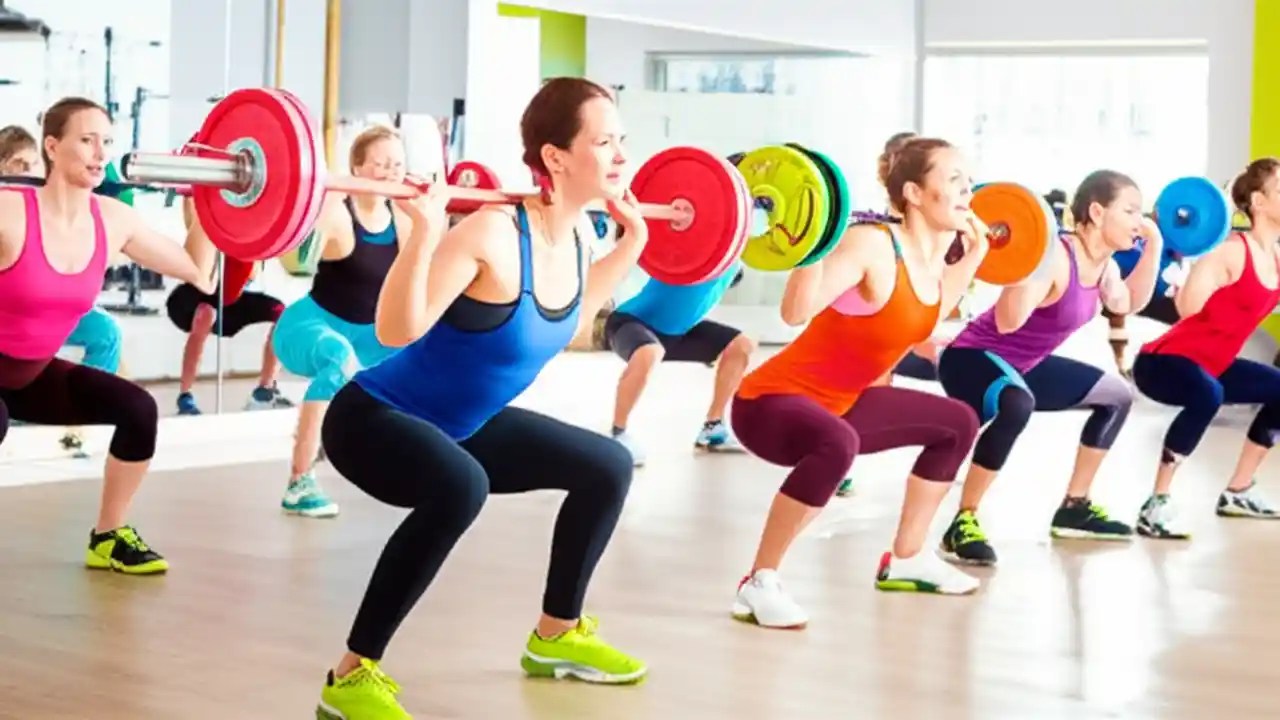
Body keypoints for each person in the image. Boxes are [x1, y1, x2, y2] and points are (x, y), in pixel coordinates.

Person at [313, 78, 647, 720]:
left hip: (464, 424)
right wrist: (424, 234)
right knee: (460, 486)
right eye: (604, 142)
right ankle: (351, 677)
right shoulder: (493, 234)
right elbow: (394, 332)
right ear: (555, 158)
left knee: (606, 465)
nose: (621, 158)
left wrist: (631, 245)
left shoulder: (577, 235)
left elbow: (568, 324)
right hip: (374, 419)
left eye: (621, 141)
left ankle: (555, 636)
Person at [727, 137, 987, 630]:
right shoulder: (872, 244)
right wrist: (812, 245)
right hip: (768, 404)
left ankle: (908, 557)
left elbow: (923, 324)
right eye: (952, 178)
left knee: (958, 422)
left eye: (967, 179)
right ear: (913, 192)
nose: (966, 188)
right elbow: (794, 313)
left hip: (841, 402)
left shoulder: (932, 259)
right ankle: (759, 582)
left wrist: (972, 258)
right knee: (837, 443)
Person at [0, 96, 213, 574]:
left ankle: (109, 536)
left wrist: (213, 202)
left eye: (107, 142)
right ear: (52, 147)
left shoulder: (113, 221)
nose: (100, 153)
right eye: (86, 140)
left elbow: (201, 273)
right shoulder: (9, 212)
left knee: (137, 409)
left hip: (30, 373)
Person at [934, 170, 1161, 565]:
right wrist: (1027, 267)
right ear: (1096, 211)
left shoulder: (1105, 267)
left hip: (1024, 366)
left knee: (1117, 396)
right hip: (971, 358)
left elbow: (1126, 304)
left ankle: (1075, 506)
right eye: (1130, 211)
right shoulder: (1055, 256)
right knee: (1016, 402)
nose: (1138, 222)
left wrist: (1154, 245)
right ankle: (963, 522)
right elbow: (1007, 323)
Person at [1131, 158, 1280, 537]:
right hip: (1163, 362)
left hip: (1215, 364)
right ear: (1259, 203)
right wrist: (1195, 271)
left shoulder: (1276, 258)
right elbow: (1187, 310)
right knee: (1207, 393)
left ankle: (1239, 489)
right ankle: (1157, 503)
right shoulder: (1231, 251)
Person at [270, 126, 408, 519]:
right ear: (357, 168)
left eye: (397, 164)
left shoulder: (404, 219)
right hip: (312, 326)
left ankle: (411, 461)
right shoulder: (337, 212)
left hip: (370, 334)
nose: (391, 172)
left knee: (420, 363)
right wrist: (322, 199)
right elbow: (296, 265)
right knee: (338, 358)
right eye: (381, 164)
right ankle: (299, 482)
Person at [604, 259, 753, 464]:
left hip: (680, 332)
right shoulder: (690, 254)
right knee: (649, 352)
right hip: (631, 322)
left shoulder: (734, 264)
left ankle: (713, 428)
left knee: (741, 345)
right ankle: (618, 434)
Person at [167, 195, 292, 415]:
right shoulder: (210, 220)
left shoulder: (259, 228)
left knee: (283, 314)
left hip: (234, 300)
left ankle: (264, 391)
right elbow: (192, 212)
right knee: (205, 315)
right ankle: (185, 395)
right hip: (200, 295)